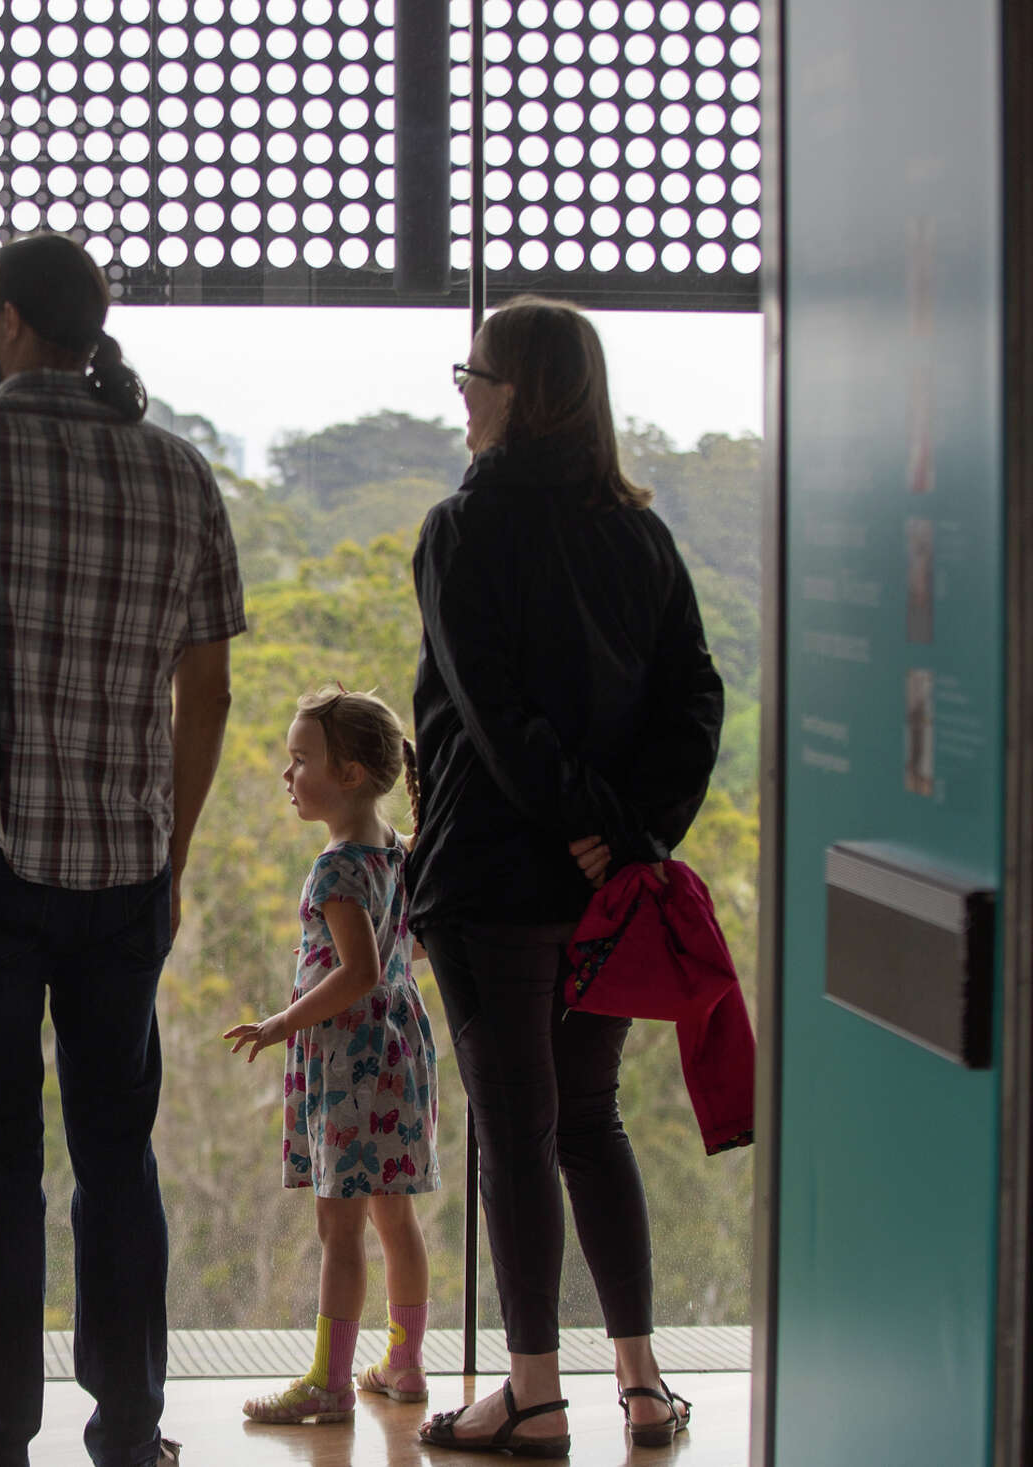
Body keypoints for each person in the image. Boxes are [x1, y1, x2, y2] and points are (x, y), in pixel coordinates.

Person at [0, 233, 245, 1467]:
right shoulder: (181, 471)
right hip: (126, 871)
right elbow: (211, 693)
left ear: (9, 321)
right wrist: (170, 858)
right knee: (117, 1165)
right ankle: (129, 1431)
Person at [408, 298, 723, 1456]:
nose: (462, 391)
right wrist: (632, 833)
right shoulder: (639, 535)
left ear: (516, 391)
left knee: (515, 1125)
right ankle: (643, 1387)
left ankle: (532, 1393)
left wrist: (585, 825)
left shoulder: (462, 528)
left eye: (472, 372)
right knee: (591, 1120)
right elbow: (696, 696)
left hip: (495, 874)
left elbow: (491, 712)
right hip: (607, 889)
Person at [222, 687, 439, 1425]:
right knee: (394, 1216)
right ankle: (404, 1364)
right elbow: (398, 954)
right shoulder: (399, 850)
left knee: (338, 1227)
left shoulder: (337, 869)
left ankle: (330, 1380)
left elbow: (358, 972)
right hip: (398, 1048)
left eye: (300, 759)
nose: (288, 775)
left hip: (349, 1058)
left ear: (348, 773)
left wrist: (283, 1020)